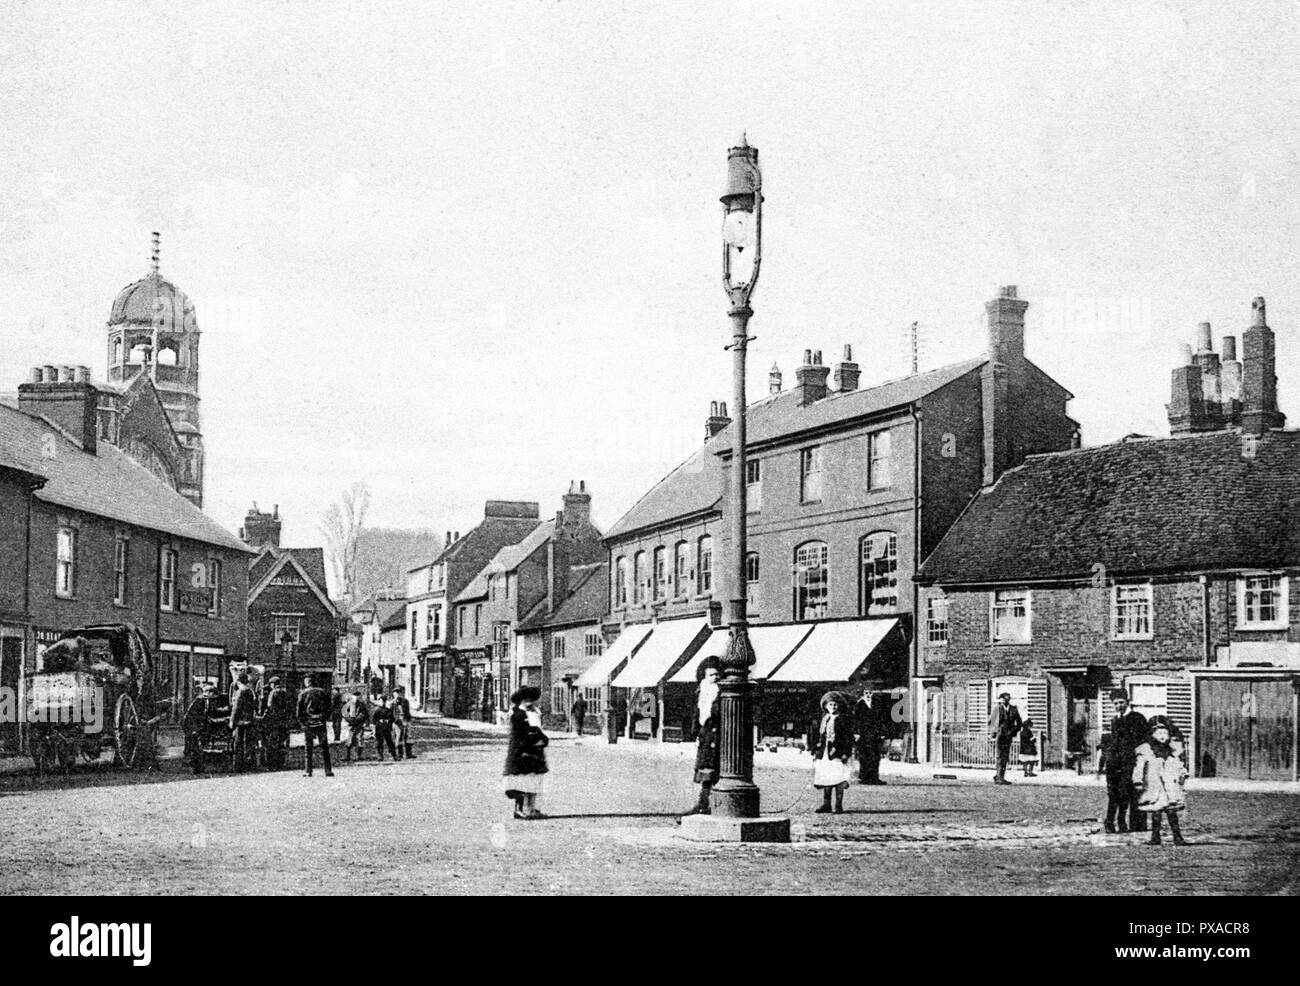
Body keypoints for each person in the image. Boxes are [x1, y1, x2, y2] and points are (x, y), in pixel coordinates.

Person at [1132, 721, 1188, 846]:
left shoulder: (1172, 750)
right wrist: (1137, 781)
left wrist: (1182, 773)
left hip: (1169, 785)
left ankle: (1177, 836)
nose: (1162, 736)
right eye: (1159, 733)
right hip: (1154, 785)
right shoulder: (1146, 750)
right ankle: (1155, 836)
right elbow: (1139, 766)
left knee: (1171, 811)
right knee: (1156, 811)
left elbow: (1178, 764)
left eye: (1165, 733)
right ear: (1153, 735)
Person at [1102, 691, 1149, 833]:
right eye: (1115, 703)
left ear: (1127, 701)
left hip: (1131, 761)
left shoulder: (1137, 718)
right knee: (1114, 793)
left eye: (1121, 702)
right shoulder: (1115, 720)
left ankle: (1126, 823)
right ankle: (1110, 822)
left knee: (1128, 793)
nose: (1118, 706)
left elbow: (1142, 740)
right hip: (1116, 762)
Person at [502, 685, 549, 819]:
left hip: (534, 751)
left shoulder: (532, 714)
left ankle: (532, 808)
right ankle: (519, 809)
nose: (531, 702)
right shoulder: (517, 715)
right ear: (521, 700)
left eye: (532, 700)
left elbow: (538, 731)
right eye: (527, 700)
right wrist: (533, 741)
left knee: (534, 780)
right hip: (522, 752)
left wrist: (543, 740)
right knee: (521, 781)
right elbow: (520, 735)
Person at [683, 657, 722, 816]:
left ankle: (705, 804)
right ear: (704, 677)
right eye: (711, 675)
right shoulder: (701, 692)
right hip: (705, 735)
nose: (714, 678)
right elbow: (697, 714)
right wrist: (695, 732)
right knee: (705, 769)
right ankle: (704, 803)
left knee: (711, 770)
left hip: (716, 735)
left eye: (716, 675)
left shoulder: (719, 692)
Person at [812, 692, 856, 814]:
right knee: (827, 778)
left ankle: (838, 805)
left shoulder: (843, 720)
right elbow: (820, 736)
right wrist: (816, 749)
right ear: (826, 706)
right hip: (825, 753)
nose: (833, 707)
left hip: (838, 753)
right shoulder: (825, 719)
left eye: (835, 704)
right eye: (830, 704)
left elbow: (848, 738)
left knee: (838, 778)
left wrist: (845, 753)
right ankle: (826, 805)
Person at [297, 676, 334, 777]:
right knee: (324, 747)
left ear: (307, 683)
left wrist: (303, 723)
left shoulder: (303, 693)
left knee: (308, 748)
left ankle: (308, 771)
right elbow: (329, 707)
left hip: (309, 723)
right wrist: (324, 718)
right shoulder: (322, 692)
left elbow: (299, 711)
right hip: (321, 723)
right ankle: (328, 770)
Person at [182, 683, 223, 775]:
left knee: (197, 747)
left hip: (197, 726)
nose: (214, 698)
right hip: (192, 726)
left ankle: (198, 766)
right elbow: (192, 717)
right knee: (195, 747)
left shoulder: (205, 700)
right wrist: (194, 729)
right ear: (209, 693)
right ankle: (195, 767)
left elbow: (210, 711)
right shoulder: (200, 701)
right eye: (214, 695)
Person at [988, 691, 1023, 784]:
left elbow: (1019, 723)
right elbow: (991, 722)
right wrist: (993, 734)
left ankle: (999, 776)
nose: (1004, 700)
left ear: (1009, 699)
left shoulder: (1014, 709)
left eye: (1006, 698)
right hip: (1000, 735)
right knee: (999, 756)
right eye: (1002, 698)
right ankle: (999, 777)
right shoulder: (997, 709)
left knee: (1005, 756)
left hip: (1009, 736)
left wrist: (1013, 732)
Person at [853, 692, 887, 785]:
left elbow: (880, 719)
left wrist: (882, 732)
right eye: (866, 693)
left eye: (870, 693)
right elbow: (855, 720)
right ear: (863, 694)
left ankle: (874, 777)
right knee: (864, 756)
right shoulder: (859, 705)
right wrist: (856, 732)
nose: (868, 695)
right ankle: (864, 777)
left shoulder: (876, 704)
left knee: (875, 756)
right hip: (863, 735)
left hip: (874, 735)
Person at [260, 676, 292, 770]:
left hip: (274, 722)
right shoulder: (285, 693)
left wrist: (264, 717)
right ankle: (281, 763)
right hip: (283, 722)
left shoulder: (273, 693)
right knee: (281, 743)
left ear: (273, 684)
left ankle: (271, 765)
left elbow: (269, 707)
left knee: (271, 744)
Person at [229, 672, 257, 771]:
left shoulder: (240, 691)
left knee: (238, 744)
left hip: (240, 722)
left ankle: (238, 765)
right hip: (249, 720)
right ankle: (250, 764)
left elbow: (236, 708)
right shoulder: (250, 691)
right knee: (249, 743)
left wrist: (232, 720)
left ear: (238, 681)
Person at [344, 691, 369, 762]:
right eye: (355, 696)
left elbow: (365, 714)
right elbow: (344, 712)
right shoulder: (349, 704)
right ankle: (348, 756)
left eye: (358, 696)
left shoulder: (362, 705)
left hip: (359, 724)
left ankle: (359, 756)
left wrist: (363, 721)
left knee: (359, 739)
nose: (356, 697)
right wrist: (348, 720)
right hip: (351, 725)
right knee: (349, 740)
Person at [371, 695, 398, 761]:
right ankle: (380, 756)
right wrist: (378, 722)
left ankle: (394, 756)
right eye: (381, 701)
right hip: (379, 728)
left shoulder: (388, 710)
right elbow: (373, 720)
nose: (382, 702)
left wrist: (388, 721)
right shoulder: (376, 710)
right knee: (379, 743)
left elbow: (392, 719)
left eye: (384, 701)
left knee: (390, 742)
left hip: (387, 729)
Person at [393, 685, 413, 760]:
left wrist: (408, 720)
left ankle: (409, 754)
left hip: (406, 719)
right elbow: (392, 714)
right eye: (396, 693)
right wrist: (396, 721)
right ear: (393, 694)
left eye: (399, 692)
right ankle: (399, 754)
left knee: (408, 736)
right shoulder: (393, 703)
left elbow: (407, 711)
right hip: (398, 721)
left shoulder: (405, 701)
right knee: (399, 737)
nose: (397, 694)